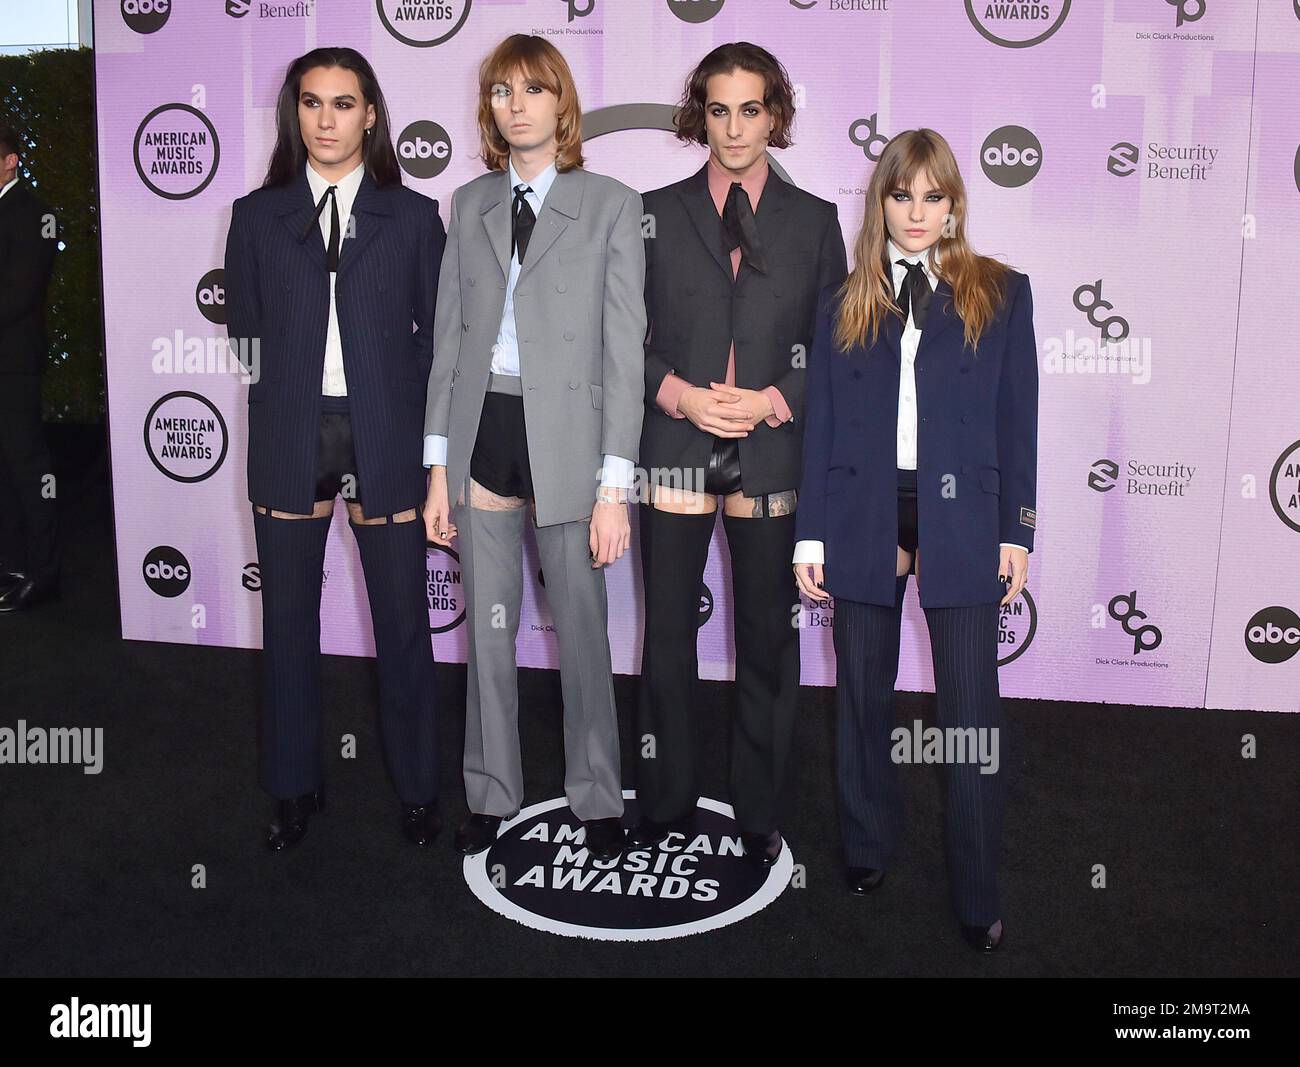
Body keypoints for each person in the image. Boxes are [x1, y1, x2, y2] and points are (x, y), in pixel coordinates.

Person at [793, 128, 1038, 950]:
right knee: (863, 696)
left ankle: (977, 891)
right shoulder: (843, 299)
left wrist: (1016, 529)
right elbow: (821, 423)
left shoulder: (1001, 292)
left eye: (934, 196)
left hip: (963, 517)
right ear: (881, 201)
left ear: (956, 202)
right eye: (903, 195)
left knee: (970, 712)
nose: (918, 212)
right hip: (866, 514)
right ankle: (866, 846)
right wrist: (810, 537)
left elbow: (1018, 422)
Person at [422, 35, 646, 861]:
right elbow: (449, 345)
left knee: (582, 627)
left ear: (562, 104)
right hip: (484, 435)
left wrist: (614, 483)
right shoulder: (467, 202)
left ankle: (596, 795)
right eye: (501, 91)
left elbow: (626, 352)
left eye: (532, 89)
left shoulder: (614, 205)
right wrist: (438, 465)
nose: (515, 104)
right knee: (488, 627)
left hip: (571, 444)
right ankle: (490, 792)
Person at [223, 48, 445, 850]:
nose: (326, 119)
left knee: (403, 624)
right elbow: (245, 332)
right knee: (285, 623)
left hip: (383, 437)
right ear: (296, 113)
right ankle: (293, 785)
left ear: (371, 114)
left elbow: (435, 341)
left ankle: (419, 790)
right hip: (290, 435)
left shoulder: (415, 217)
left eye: (343, 104)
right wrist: (283, 401)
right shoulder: (255, 214)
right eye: (312, 103)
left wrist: (410, 424)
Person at [632, 43, 846, 866]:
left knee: (767, 638)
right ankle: (664, 797)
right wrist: (680, 394)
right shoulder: (650, 208)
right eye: (718, 110)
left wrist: (773, 399)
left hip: (771, 448)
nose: (733, 128)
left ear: (776, 115)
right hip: (676, 444)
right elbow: (625, 339)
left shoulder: (817, 220)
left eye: (750, 109)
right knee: (665, 642)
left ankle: (758, 808)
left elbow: (838, 342)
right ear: (699, 114)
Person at [0, 125, 60, 615]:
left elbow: (18, 295)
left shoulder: (35, 212)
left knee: (26, 466)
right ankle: (11, 564)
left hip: (13, 362)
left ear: (11, 161)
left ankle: (42, 573)